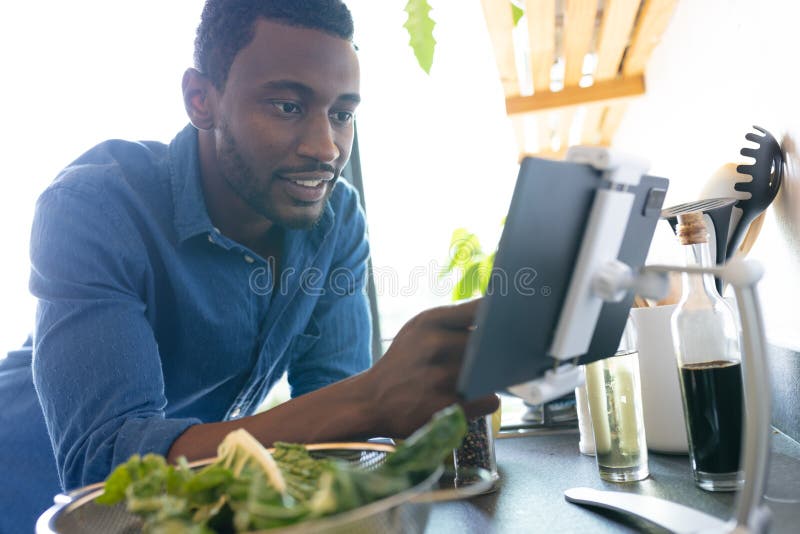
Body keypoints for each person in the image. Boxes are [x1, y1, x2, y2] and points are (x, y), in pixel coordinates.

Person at [0, 1, 497, 531]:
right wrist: (374, 396)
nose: (326, 147)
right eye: (287, 105)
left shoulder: (336, 221)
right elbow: (106, 473)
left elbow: (340, 436)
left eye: (342, 114)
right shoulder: (95, 205)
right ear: (201, 99)